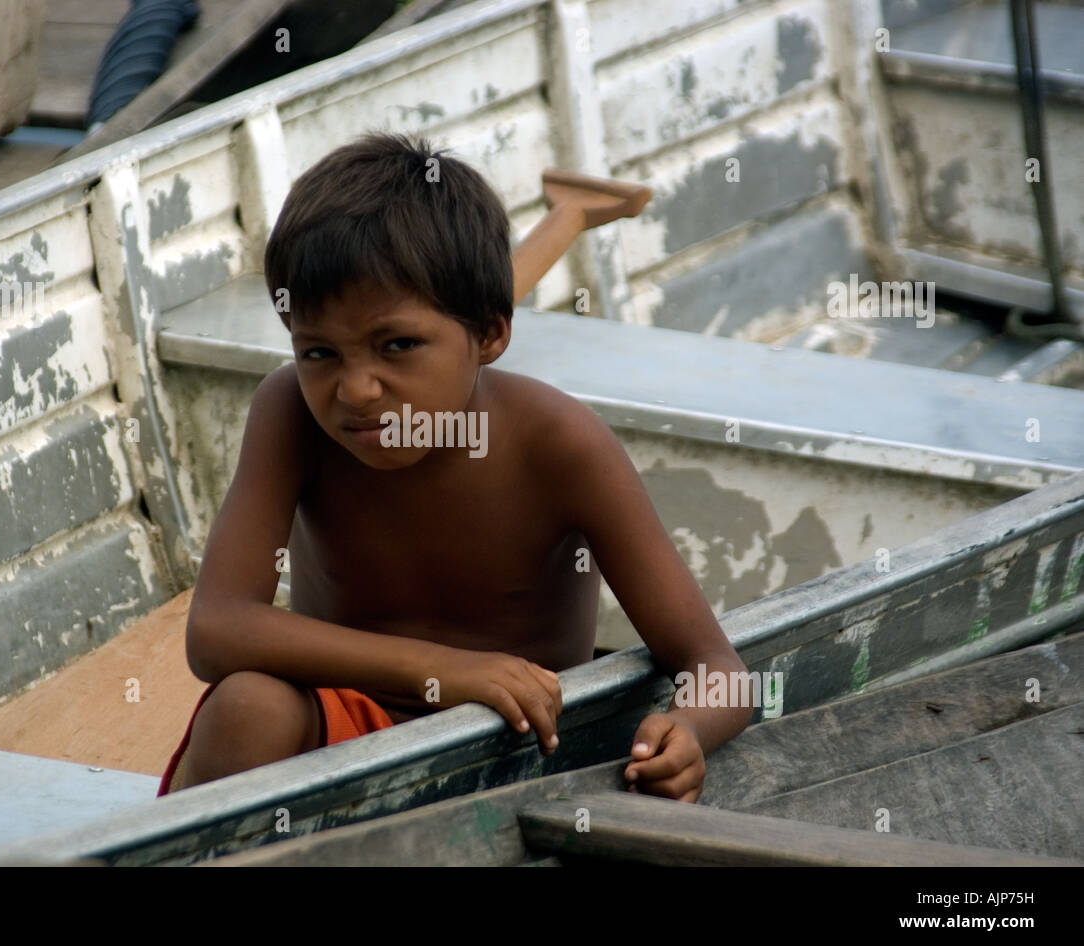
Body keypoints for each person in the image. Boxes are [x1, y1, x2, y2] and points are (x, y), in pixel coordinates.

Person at [158, 130, 753, 800]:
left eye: (398, 345)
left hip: (507, 756)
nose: (355, 390)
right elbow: (216, 629)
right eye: (319, 352)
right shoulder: (289, 412)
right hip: (344, 742)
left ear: (491, 335)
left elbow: (715, 664)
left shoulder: (561, 444)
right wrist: (444, 668)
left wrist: (690, 732)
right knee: (248, 708)